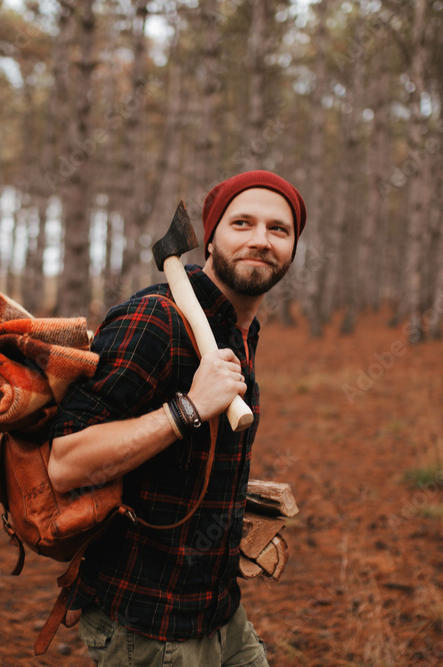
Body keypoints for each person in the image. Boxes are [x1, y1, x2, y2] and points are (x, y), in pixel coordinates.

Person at [48, 170, 307, 666]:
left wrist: (231, 515)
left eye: (279, 229)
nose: (260, 240)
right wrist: (185, 410)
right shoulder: (155, 321)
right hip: (150, 629)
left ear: (293, 247)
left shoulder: (238, 329)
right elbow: (64, 462)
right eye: (242, 223)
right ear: (209, 240)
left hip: (219, 614)